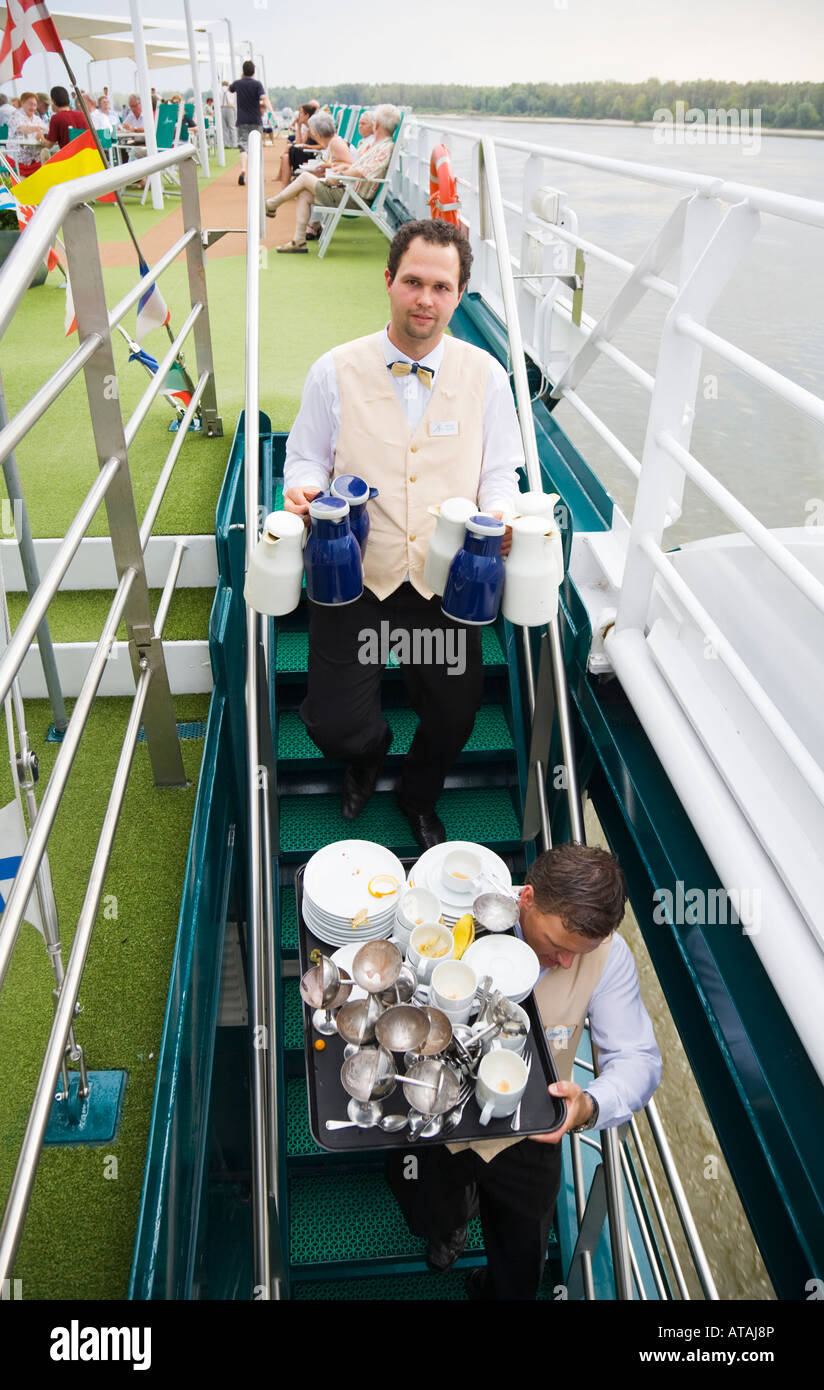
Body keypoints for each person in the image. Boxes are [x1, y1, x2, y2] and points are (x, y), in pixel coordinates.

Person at [283, 219, 522, 848]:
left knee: (454, 713)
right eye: (413, 281)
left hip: (446, 581)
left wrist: (498, 514)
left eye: (441, 287)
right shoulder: (333, 371)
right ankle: (367, 753)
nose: (425, 298)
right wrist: (304, 490)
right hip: (355, 574)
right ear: (388, 281)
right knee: (333, 724)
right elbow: (305, 459)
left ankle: (418, 795)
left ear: (460, 294)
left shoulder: (487, 376)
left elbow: (501, 471)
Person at [387, 842, 663, 1300]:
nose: (567, 963)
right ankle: (451, 1224)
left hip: (532, 1131)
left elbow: (639, 1059)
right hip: (438, 1113)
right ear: (527, 899)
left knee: (521, 1261)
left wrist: (590, 1104)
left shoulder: (609, 958)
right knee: (424, 1208)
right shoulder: (453, 919)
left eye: (582, 952)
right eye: (557, 946)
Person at [266, 102, 401, 253]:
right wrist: (340, 169)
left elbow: (360, 172)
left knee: (304, 177)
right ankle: (299, 241)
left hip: (354, 199)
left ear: (376, 125)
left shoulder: (383, 148)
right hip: (349, 193)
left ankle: (272, 204)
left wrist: (338, 176)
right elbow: (356, 167)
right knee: (305, 193)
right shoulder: (378, 146)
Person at [229, 59, 265, 186]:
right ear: (254, 71)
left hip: (242, 120)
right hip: (255, 119)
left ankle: (243, 169)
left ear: (243, 71)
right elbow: (263, 99)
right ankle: (258, 174)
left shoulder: (238, 84)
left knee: (243, 147)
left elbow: (230, 89)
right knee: (257, 147)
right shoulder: (257, 84)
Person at [5, 92, 46, 175]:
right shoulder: (15, 115)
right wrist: (36, 129)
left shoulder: (36, 118)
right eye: (31, 104)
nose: (33, 108)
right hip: (18, 160)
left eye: (35, 105)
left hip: (35, 160)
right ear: (23, 103)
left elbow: (45, 131)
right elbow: (21, 128)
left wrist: (41, 133)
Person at [220, 81, 237, 149]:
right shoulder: (230, 91)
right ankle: (234, 144)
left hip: (223, 107)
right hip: (230, 108)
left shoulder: (220, 90)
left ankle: (228, 144)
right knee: (232, 126)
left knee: (225, 127)